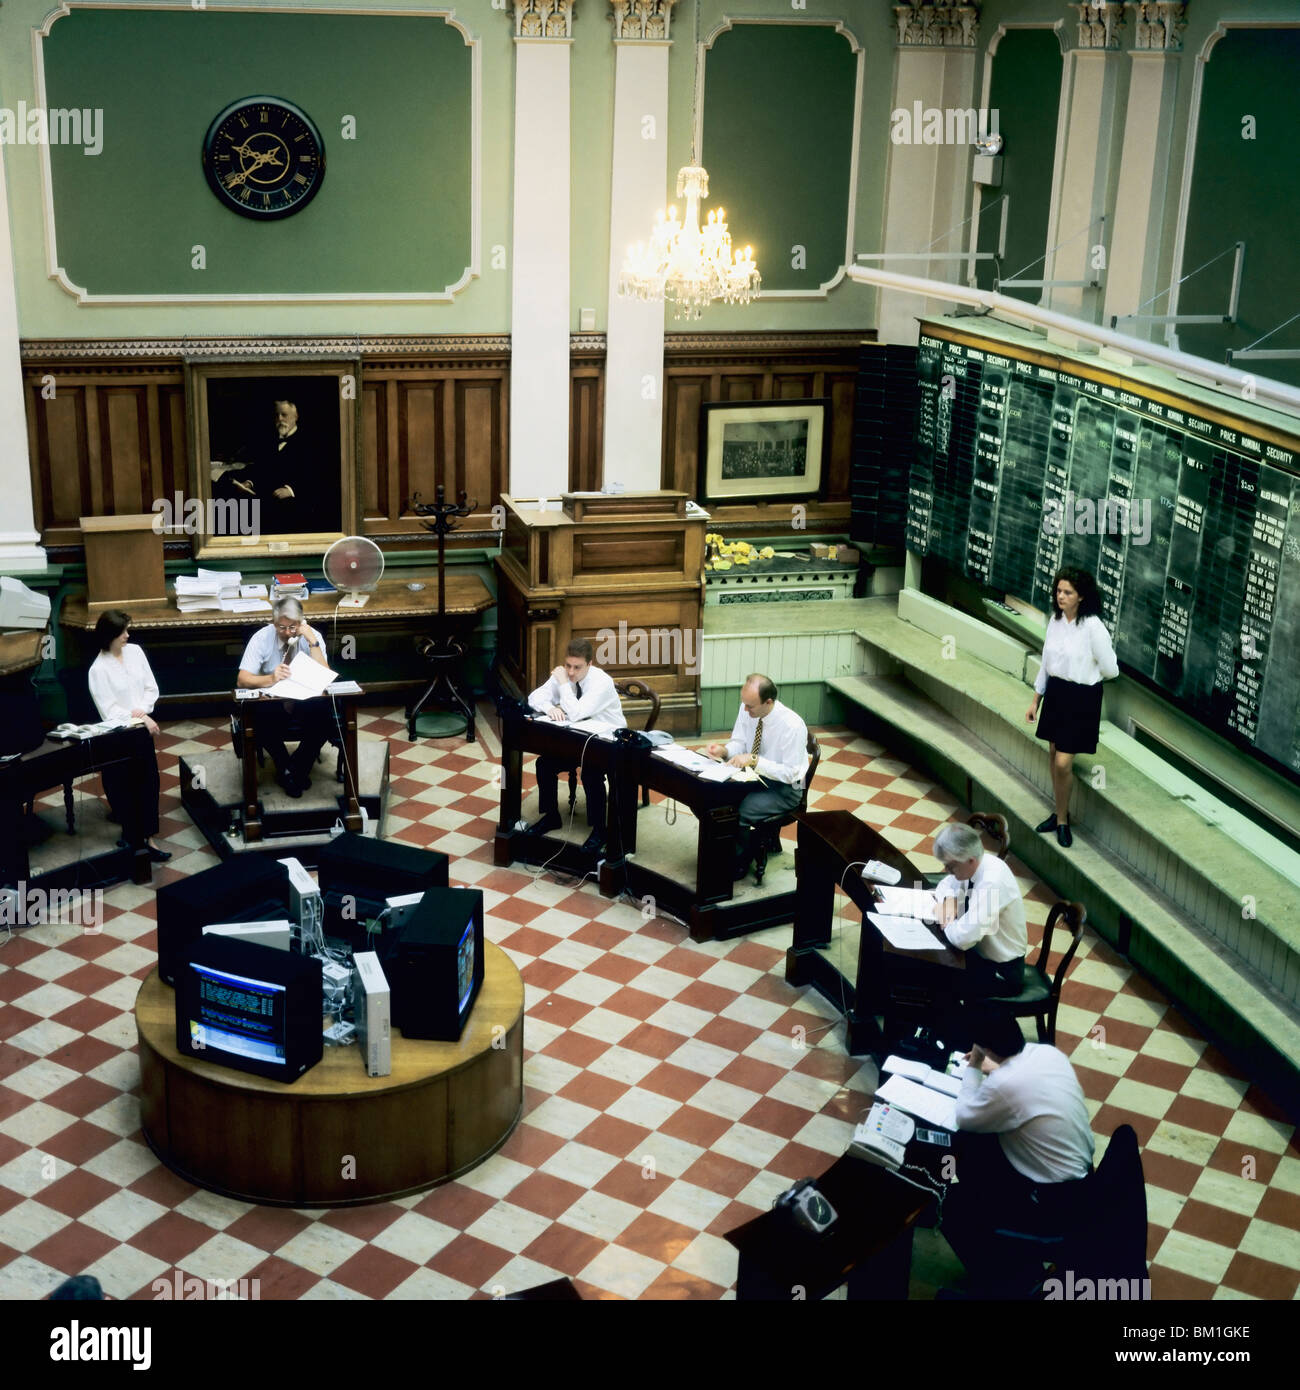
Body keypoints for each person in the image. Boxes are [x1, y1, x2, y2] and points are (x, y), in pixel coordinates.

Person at [940, 1009, 1095, 1296]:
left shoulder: (1005, 1085)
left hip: (1052, 1203)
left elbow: (963, 1116)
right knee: (978, 1149)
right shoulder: (1048, 1054)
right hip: (1081, 1185)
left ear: (986, 1047)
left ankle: (1003, 1286)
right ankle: (1011, 1262)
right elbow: (1022, 1083)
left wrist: (975, 1063)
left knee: (953, 1210)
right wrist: (994, 1066)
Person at [1025, 567, 1118, 848]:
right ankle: (1059, 814)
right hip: (1056, 693)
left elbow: (1111, 669)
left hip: (1082, 698)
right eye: (1059, 591)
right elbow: (1046, 664)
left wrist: (1087, 677)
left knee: (1063, 763)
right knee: (1054, 755)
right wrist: (1035, 700)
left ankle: (1063, 821)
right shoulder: (1055, 622)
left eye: (1068, 592)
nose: (1061, 596)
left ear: (1081, 596)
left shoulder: (1093, 627)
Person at [525, 638, 626, 855]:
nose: (571, 672)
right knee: (544, 764)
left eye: (577, 667)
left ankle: (600, 830)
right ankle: (551, 817)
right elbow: (534, 697)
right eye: (568, 665)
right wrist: (549, 708)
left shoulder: (602, 682)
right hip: (578, 740)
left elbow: (577, 712)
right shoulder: (566, 675)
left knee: (590, 774)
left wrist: (563, 684)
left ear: (590, 664)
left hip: (607, 743)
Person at [707, 673, 809, 879]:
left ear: (768, 702)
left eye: (750, 706)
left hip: (787, 789)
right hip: (754, 777)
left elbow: (792, 773)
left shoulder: (792, 726)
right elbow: (740, 742)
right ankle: (723, 852)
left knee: (742, 811)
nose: (745, 710)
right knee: (716, 798)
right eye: (744, 704)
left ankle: (740, 861)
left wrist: (755, 760)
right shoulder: (748, 708)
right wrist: (725, 751)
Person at [87, 610, 170, 862]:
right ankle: (133, 838)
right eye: (122, 632)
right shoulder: (98, 670)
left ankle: (149, 837)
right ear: (109, 636)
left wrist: (142, 711)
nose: (127, 635)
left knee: (149, 782)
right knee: (124, 787)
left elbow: (151, 688)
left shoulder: (136, 652)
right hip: (117, 737)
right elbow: (109, 711)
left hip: (141, 730)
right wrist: (140, 718)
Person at [237, 598, 337, 797]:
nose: (288, 632)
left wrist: (313, 642)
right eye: (281, 627)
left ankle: (298, 767)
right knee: (259, 716)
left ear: (301, 622)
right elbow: (242, 680)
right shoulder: (261, 638)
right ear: (274, 623)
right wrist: (271, 678)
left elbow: (326, 676)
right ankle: (283, 764)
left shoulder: (313, 636)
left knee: (325, 716)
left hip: (305, 701)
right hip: (273, 703)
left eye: (293, 627)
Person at [932, 821, 1028, 998]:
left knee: (936, 979)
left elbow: (964, 939)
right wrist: (949, 900)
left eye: (950, 866)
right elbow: (944, 885)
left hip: (1001, 972)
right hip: (978, 956)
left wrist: (945, 919)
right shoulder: (975, 865)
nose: (946, 870)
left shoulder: (992, 883)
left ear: (970, 860)